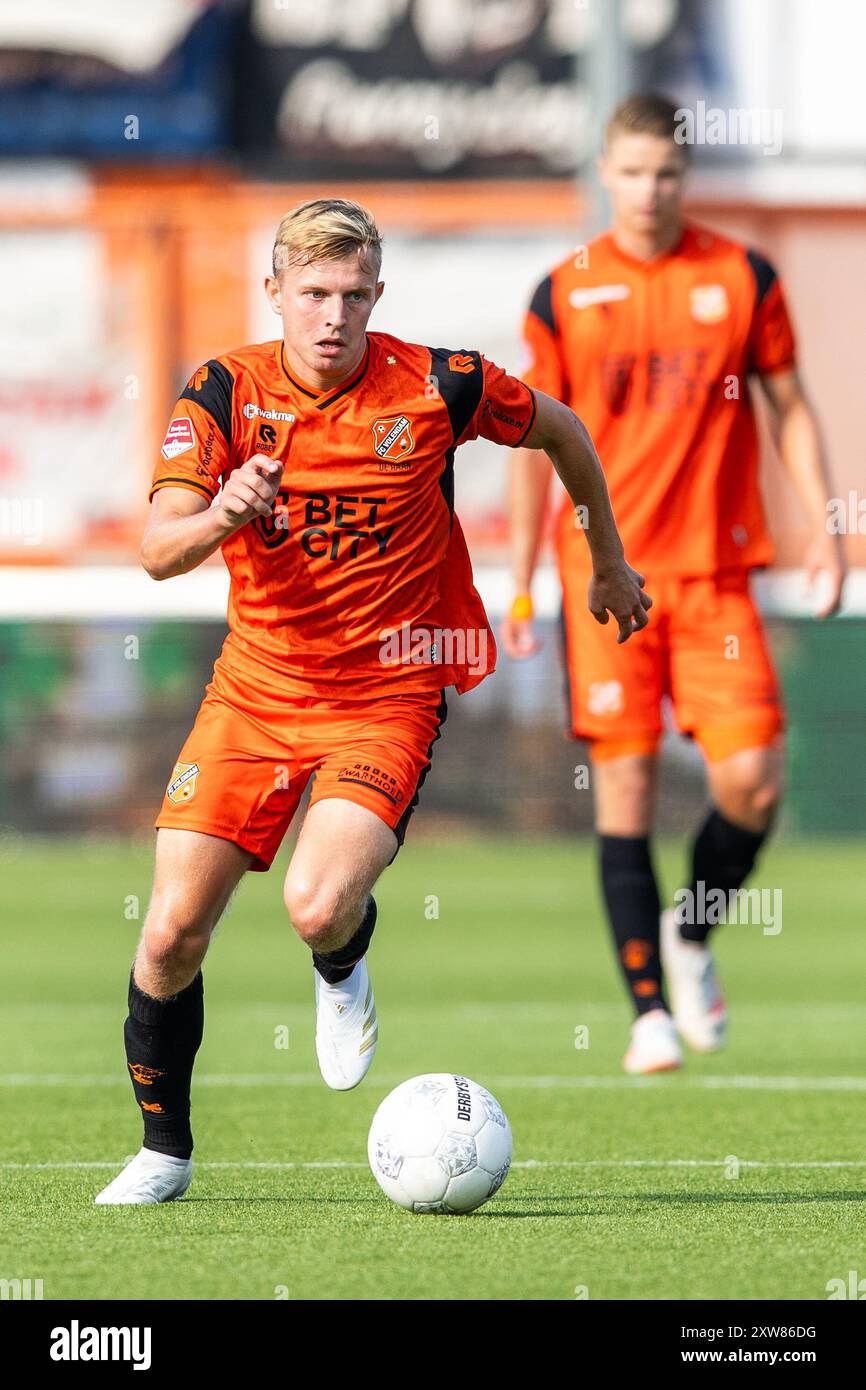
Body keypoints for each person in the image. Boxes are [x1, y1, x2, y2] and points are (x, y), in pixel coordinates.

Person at [95, 196, 650, 1203]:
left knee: (317, 901)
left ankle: (341, 965)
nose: (332, 316)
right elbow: (156, 549)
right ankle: (163, 1152)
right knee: (171, 930)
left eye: (353, 295)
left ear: (377, 296)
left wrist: (605, 562)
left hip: (390, 684)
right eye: (311, 294)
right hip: (254, 690)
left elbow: (563, 433)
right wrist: (225, 510)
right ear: (274, 294)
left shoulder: (438, 385)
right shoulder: (223, 393)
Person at [503, 95, 845, 1075]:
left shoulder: (739, 276)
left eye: (666, 172)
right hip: (598, 579)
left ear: (683, 176)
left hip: (712, 576)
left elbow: (790, 409)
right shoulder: (560, 292)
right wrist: (522, 581)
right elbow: (533, 446)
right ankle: (647, 1009)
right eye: (632, 171)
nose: (648, 189)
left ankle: (688, 933)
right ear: (604, 172)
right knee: (625, 788)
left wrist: (824, 528)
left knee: (751, 783)